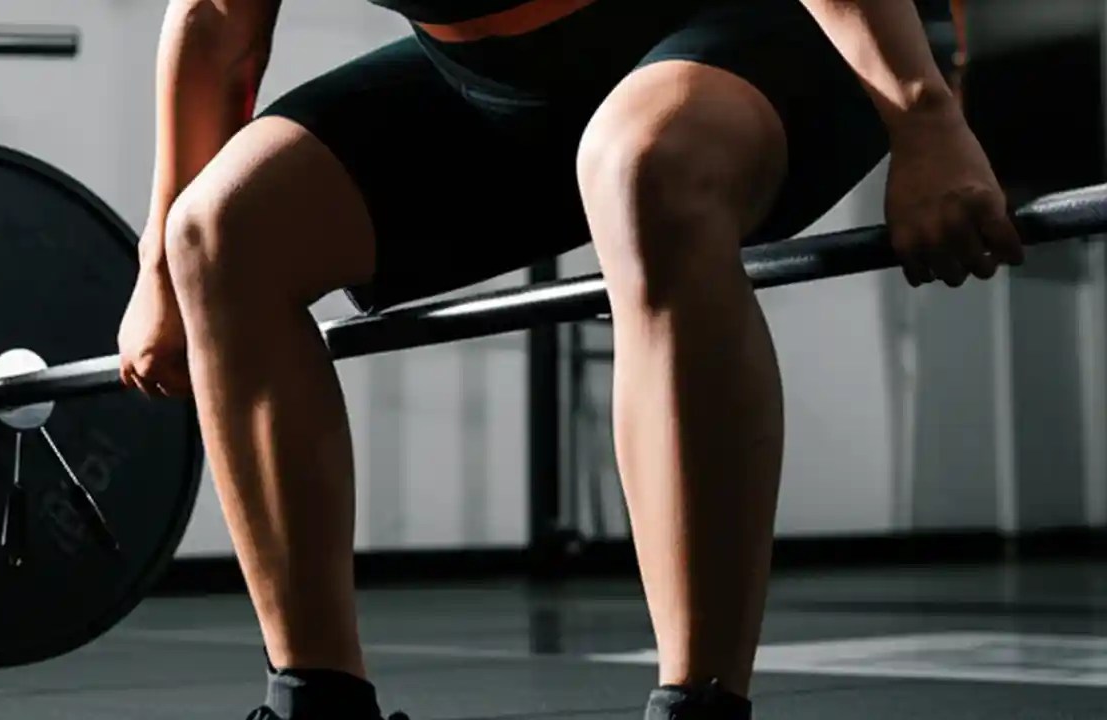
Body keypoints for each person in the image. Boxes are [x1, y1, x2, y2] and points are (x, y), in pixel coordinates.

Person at [117, 0, 1024, 717]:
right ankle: (316, 702)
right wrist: (159, 263)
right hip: (505, 83)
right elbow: (216, 21)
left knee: (641, 164)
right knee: (221, 233)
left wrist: (925, 117)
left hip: (791, 29)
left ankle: (699, 708)